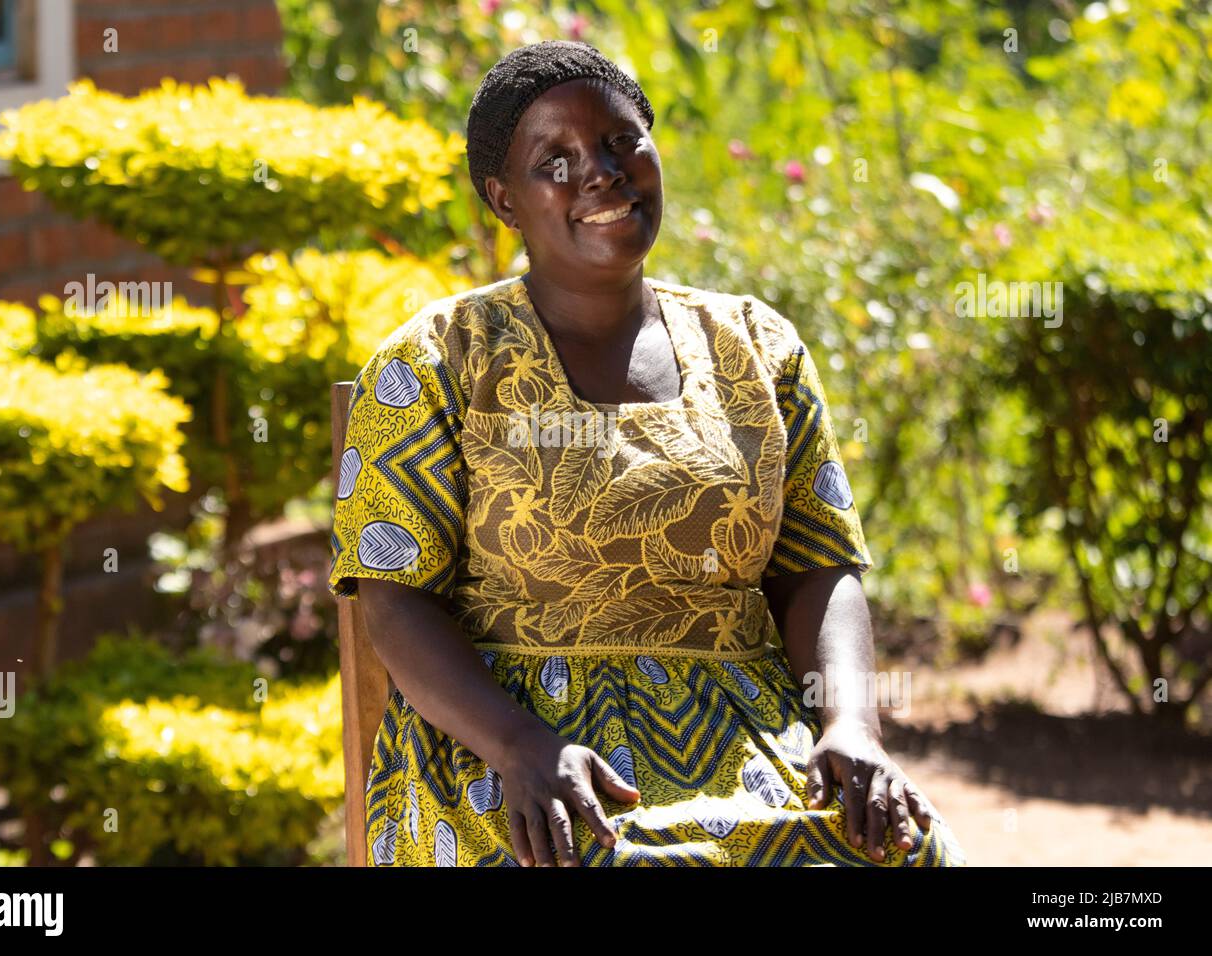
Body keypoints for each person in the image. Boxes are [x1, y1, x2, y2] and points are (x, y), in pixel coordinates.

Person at [328, 39, 967, 867]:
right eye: (554, 160)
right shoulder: (436, 361)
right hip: (513, 758)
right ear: (504, 199)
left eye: (621, 140)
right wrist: (521, 744)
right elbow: (392, 601)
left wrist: (850, 725)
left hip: (751, 746)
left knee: (903, 853)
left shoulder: (756, 346)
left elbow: (820, 567)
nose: (600, 172)